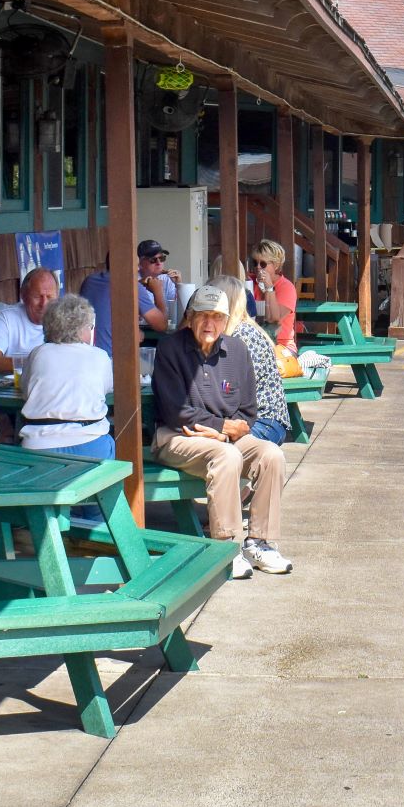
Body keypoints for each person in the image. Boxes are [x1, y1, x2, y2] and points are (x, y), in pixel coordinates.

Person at [150, 287, 290, 578]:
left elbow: (249, 410)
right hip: (177, 436)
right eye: (202, 316)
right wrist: (223, 428)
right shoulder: (170, 348)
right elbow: (177, 411)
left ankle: (260, 542)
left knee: (271, 454)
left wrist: (223, 433)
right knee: (226, 456)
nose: (209, 324)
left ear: (227, 321)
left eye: (217, 317)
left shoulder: (237, 351)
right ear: (189, 318)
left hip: (222, 439)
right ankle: (226, 548)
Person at [17, 295, 114, 459]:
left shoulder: (38, 353)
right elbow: (105, 390)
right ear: (83, 328)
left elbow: (26, 390)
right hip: (90, 443)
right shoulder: (100, 356)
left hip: (38, 446)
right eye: (90, 327)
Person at [205, 273, 292, 446]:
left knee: (210, 444)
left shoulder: (244, 336)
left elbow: (233, 389)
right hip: (242, 419)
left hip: (264, 422)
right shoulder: (231, 332)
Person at [0, 267, 58, 373]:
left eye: (50, 297)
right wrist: (31, 362)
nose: (43, 304)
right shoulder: (7, 318)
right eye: (37, 297)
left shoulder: (69, 320)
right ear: (23, 296)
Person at [248, 239, 298, 350]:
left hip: (281, 345)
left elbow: (275, 319)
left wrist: (269, 288)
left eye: (263, 264)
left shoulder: (286, 287)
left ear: (276, 265)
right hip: (254, 343)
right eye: (255, 263)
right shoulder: (250, 281)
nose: (258, 267)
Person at [136, 239, 182, 336]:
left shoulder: (167, 278)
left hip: (164, 331)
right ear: (140, 263)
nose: (159, 263)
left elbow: (177, 312)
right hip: (142, 333)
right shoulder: (134, 281)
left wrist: (179, 286)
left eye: (162, 258)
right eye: (153, 260)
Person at [77, 257, 116, 356]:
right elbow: (159, 325)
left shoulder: (90, 280)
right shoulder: (131, 284)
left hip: (84, 351)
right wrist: (156, 291)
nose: (138, 269)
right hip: (111, 356)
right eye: (136, 265)